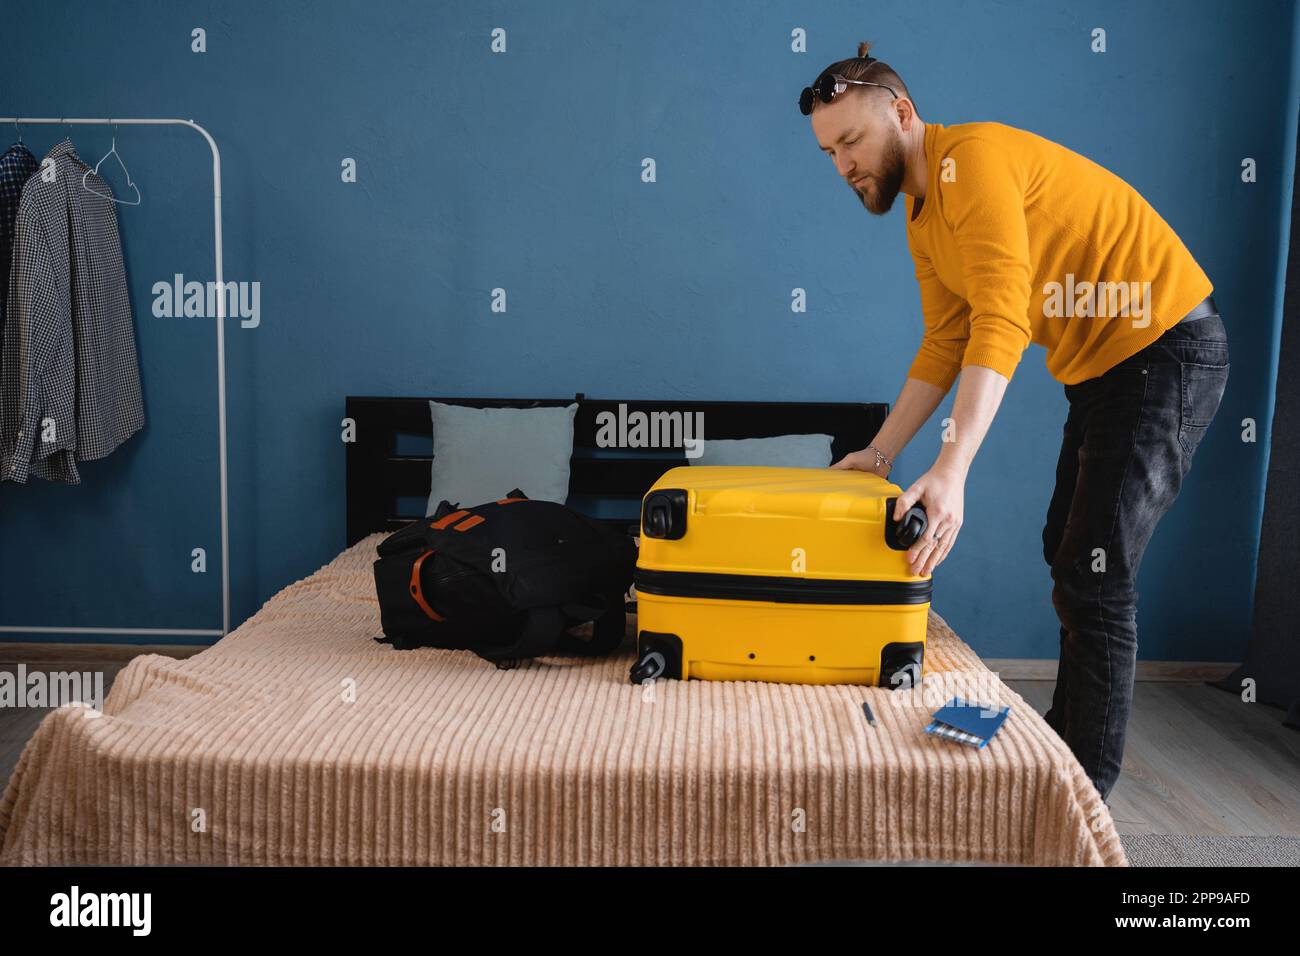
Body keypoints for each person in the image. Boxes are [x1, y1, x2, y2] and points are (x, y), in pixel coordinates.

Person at [813, 42, 1230, 800]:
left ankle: (1079, 793)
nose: (842, 164)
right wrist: (879, 454)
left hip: (1165, 347)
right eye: (829, 151)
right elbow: (948, 336)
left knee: (1094, 566)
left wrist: (952, 470)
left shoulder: (967, 161)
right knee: (1067, 550)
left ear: (901, 114)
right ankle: (1066, 745)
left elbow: (1002, 314)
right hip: (1106, 367)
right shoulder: (921, 210)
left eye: (851, 140)